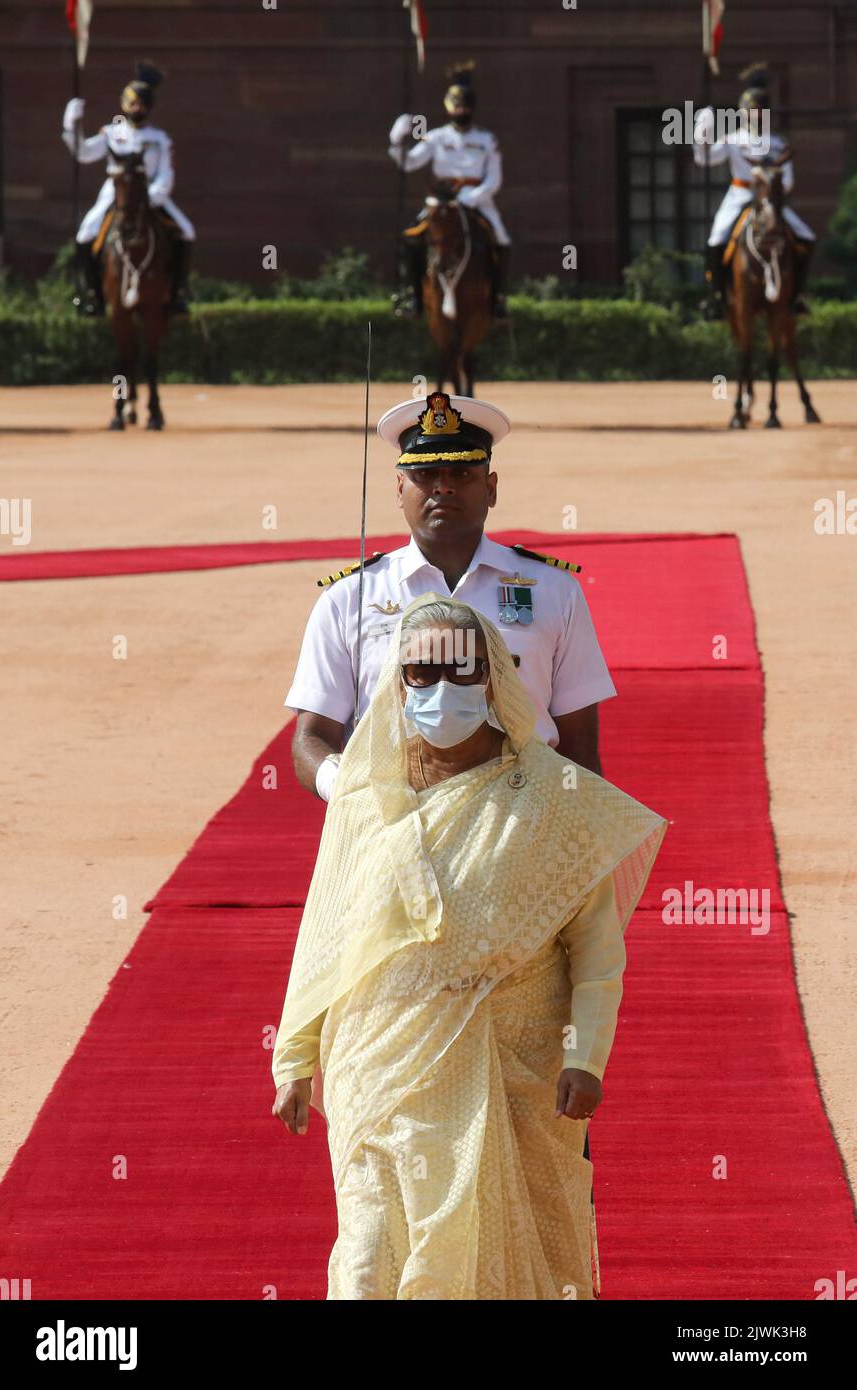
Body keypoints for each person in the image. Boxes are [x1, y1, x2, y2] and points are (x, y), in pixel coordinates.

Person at [271, 593, 667, 1300]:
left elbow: (596, 947)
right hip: (376, 1061)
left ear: (493, 678)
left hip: (512, 1065)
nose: (441, 690)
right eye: (420, 676)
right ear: (396, 683)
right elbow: (327, 932)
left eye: (462, 671)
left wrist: (585, 1055)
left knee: (495, 1265)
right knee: (366, 1261)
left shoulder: (552, 796)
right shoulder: (366, 798)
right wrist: (296, 1056)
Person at [286, 390, 616, 801]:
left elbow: (580, 745)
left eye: (462, 474)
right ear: (399, 487)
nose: (443, 488)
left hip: (521, 818)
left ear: (491, 488)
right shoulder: (349, 599)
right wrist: (348, 789)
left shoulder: (554, 591)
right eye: (425, 475)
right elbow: (312, 737)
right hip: (393, 822)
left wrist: (579, 839)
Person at [61, 61, 195, 317]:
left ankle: (178, 293)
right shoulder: (112, 133)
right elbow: (84, 153)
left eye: (142, 104)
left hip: (152, 197)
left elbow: (166, 174)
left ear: (149, 107)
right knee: (85, 234)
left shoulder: (159, 139)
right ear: (124, 103)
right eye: (133, 103)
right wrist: (72, 125)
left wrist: (152, 196)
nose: (137, 108)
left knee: (187, 231)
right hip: (115, 195)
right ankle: (91, 296)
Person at [693, 62, 815, 320]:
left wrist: (773, 184)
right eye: (751, 111)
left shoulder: (778, 143)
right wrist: (701, 131)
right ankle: (716, 298)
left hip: (770, 199)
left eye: (760, 111)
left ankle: (796, 297)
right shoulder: (732, 140)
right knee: (717, 239)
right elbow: (704, 159)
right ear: (743, 113)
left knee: (806, 237)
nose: (755, 115)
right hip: (739, 195)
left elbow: (789, 180)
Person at [388, 61, 511, 318]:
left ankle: (498, 298)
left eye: (465, 106)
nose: (461, 110)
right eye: (457, 106)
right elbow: (410, 163)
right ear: (449, 108)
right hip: (441, 200)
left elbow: (494, 178)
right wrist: (397, 140)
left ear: (472, 109)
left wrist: (474, 197)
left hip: (477, 198)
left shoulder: (486, 140)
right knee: (412, 237)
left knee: (501, 238)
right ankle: (414, 297)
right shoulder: (436, 137)